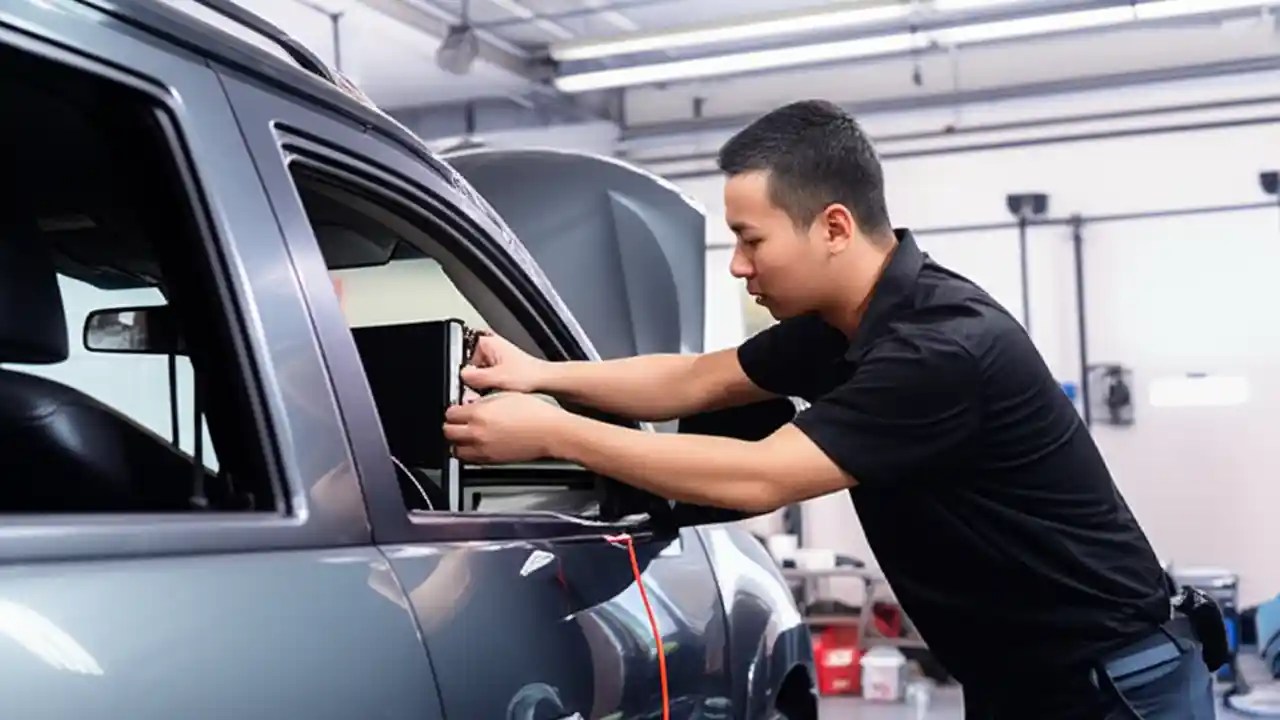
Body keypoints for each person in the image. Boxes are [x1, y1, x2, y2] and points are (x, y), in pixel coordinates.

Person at [442, 99, 1216, 718]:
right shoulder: (840, 327)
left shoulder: (938, 348)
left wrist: (554, 434)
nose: (740, 265)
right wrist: (542, 374)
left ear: (834, 227)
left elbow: (759, 478)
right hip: (1025, 677)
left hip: (1113, 683)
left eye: (751, 240)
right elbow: (696, 381)